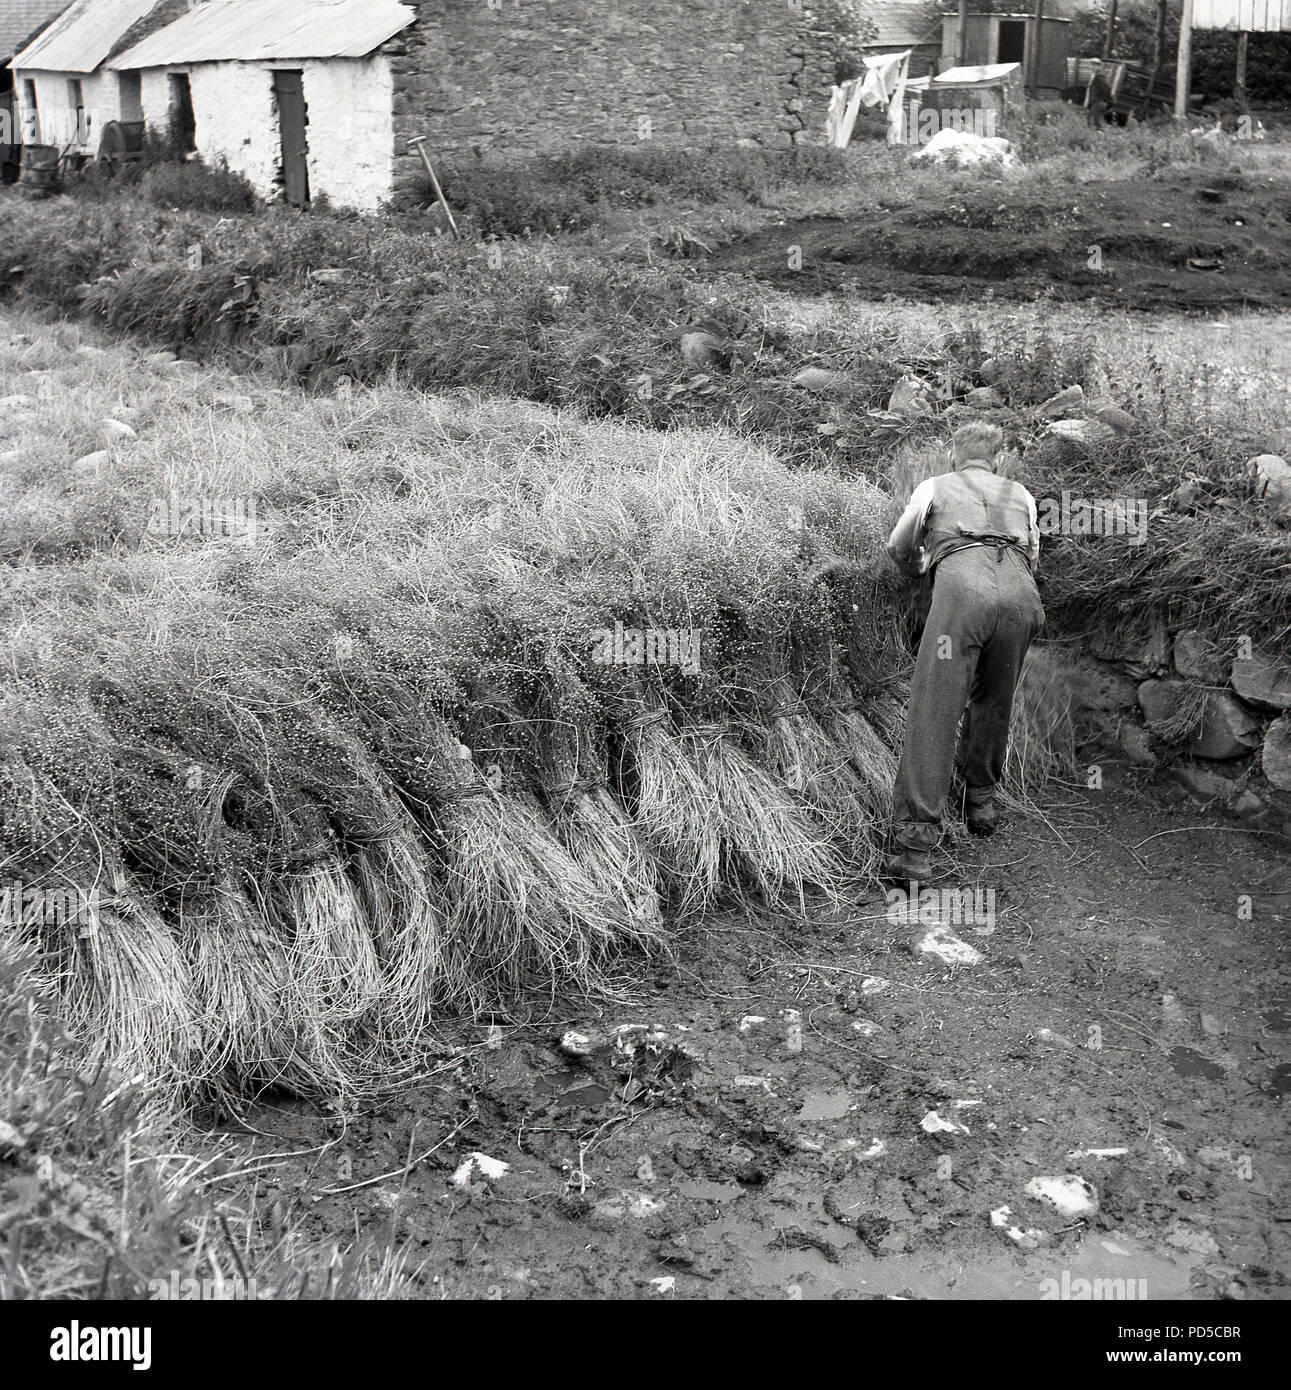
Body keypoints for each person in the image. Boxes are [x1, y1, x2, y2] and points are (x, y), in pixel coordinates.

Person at [883, 421, 1043, 883]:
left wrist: (923, 569)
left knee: (935, 706)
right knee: (995, 699)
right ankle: (981, 804)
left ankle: (913, 850)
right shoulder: (1022, 494)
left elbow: (900, 546)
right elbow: (1033, 556)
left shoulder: (935, 486)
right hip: (1021, 598)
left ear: (954, 455)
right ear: (997, 460)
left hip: (962, 596)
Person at [1085, 58, 1112, 129]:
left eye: (1095, 65)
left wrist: (1102, 100)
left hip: (1098, 102)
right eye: (1092, 65)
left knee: (1095, 121)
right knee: (1091, 120)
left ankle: (1100, 136)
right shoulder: (1095, 75)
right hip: (1095, 102)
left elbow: (1107, 88)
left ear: (1099, 66)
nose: (1093, 67)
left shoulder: (1100, 76)